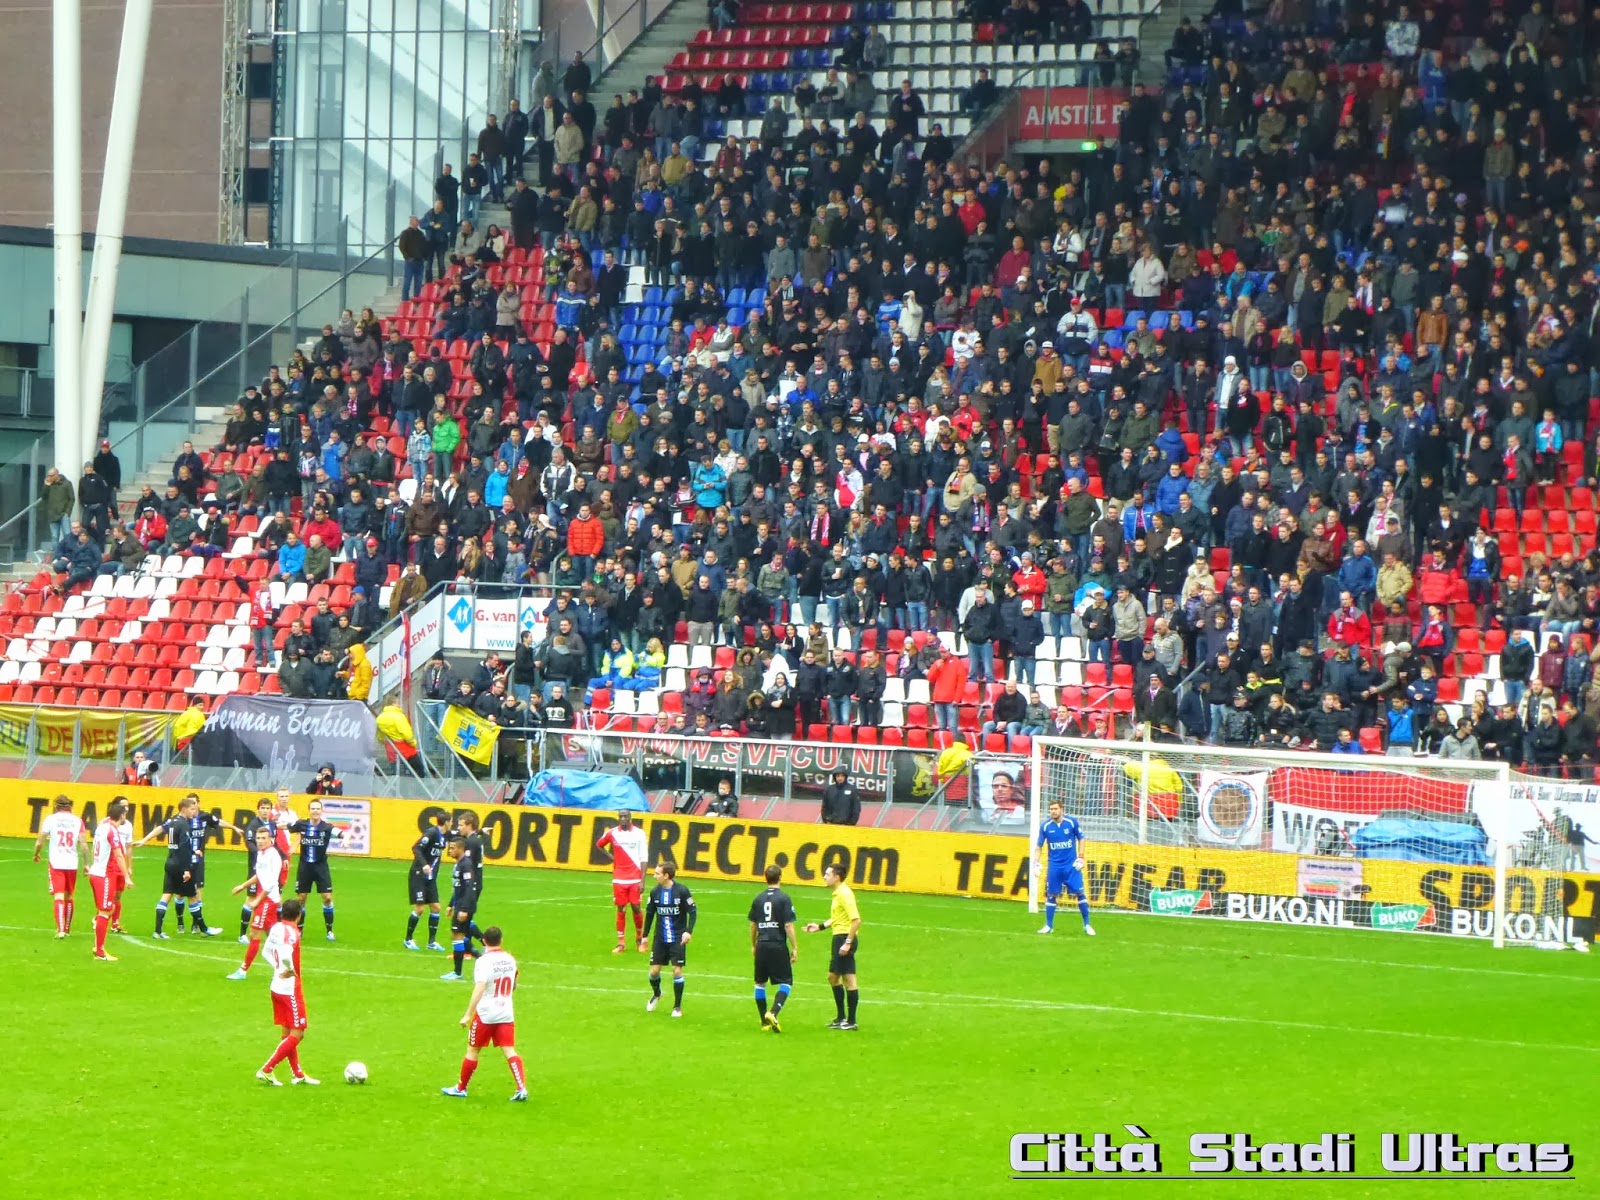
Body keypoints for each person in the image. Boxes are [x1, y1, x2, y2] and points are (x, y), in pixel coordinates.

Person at [441, 926, 528, 1101]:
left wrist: (467, 1014)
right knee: (509, 1050)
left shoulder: (483, 961)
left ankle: (461, 1088)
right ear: (501, 941)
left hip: (486, 1013)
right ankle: (521, 1088)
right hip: (505, 1011)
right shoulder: (510, 959)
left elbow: (480, 987)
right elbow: (514, 985)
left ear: (484, 941)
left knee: (473, 1050)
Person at [134, 793, 236, 937]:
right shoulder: (184, 824)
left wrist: (144, 840)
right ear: (184, 809)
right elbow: (184, 848)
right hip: (182, 865)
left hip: (170, 862)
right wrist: (187, 869)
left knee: (167, 895)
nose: (194, 812)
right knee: (193, 897)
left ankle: (157, 931)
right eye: (192, 809)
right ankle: (204, 929)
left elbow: (173, 841)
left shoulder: (173, 821)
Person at [254, 898, 318, 1086]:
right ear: (299, 915)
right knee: (298, 1033)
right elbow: (287, 952)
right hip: (290, 988)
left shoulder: (276, 928)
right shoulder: (293, 933)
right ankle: (267, 1069)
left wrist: (277, 967)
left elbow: (266, 951)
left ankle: (298, 1075)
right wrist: (288, 968)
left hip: (276, 986)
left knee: (287, 1031)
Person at [803, 862, 861, 1030]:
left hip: (844, 938)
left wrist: (848, 943)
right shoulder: (838, 894)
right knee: (833, 977)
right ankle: (842, 1017)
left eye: (827, 874)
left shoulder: (845, 894)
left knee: (848, 979)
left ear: (837, 877)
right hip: (839, 938)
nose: (824, 876)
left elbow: (856, 920)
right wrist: (820, 926)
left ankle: (851, 1021)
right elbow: (838, 917)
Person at [227, 826, 285, 981]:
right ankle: (284, 967)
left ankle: (243, 970)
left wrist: (257, 901)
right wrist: (243, 886)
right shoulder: (260, 854)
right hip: (264, 898)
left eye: (263, 838)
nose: (259, 841)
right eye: (258, 838)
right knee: (273, 934)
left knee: (254, 933)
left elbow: (272, 882)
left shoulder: (273, 856)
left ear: (270, 839)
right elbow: (259, 875)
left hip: (268, 899)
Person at [748, 864, 798, 1033]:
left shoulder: (758, 898)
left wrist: (753, 945)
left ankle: (764, 1022)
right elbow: (789, 925)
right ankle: (773, 1012)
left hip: (762, 944)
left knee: (760, 983)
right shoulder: (784, 898)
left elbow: (753, 925)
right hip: (777, 944)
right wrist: (795, 947)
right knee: (786, 982)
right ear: (780, 877)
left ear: (765, 877)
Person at [1034, 797, 1095, 936]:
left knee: (1080, 893)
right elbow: (1039, 846)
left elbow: (1081, 838)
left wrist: (1081, 856)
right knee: (1051, 895)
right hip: (1055, 866)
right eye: (1051, 809)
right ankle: (1049, 925)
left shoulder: (1071, 822)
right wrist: (1036, 863)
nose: (1053, 812)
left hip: (1071, 866)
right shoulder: (1045, 826)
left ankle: (1087, 925)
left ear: (1062, 809)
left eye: (1055, 809)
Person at [643, 860, 696, 1017]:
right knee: (653, 972)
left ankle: (677, 1007)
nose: (654, 876)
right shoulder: (655, 892)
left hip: (677, 938)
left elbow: (693, 912)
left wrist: (688, 931)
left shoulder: (682, 891)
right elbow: (650, 914)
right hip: (660, 938)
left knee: (677, 971)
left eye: (657, 873)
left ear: (666, 875)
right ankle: (657, 993)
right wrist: (644, 936)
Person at [287, 798, 342, 940]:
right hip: (305, 866)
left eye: (318, 809)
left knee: (327, 897)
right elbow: (287, 826)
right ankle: (299, 931)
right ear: (309, 811)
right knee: (301, 898)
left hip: (321, 867)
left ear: (321, 811)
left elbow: (340, 832)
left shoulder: (327, 827)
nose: (315, 811)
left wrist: (345, 838)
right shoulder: (301, 824)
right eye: (313, 809)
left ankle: (329, 931)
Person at [441, 814, 488, 981]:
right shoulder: (470, 845)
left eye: (461, 825)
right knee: (461, 929)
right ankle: (479, 951)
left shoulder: (468, 856)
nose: (459, 828)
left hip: (468, 894)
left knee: (460, 929)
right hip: (464, 894)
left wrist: (463, 906)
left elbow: (469, 881)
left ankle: (479, 952)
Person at [238, 797, 290, 942]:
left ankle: (278, 930)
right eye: (263, 808)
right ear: (258, 809)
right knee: (251, 898)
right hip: (257, 867)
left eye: (268, 808)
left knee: (277, 898)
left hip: (272, 867)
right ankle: (242, 933)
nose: (265, 811)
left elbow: (275, 844)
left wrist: (284, 856)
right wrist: (262, 853)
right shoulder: (254, 825)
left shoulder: (272, 825)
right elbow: (249, 843)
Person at [595, 810, 647, 954]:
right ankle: (621, 943)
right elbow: (599, 844)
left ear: (630, 818)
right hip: (619, 878)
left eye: (625, 816)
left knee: (636, 907)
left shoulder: (639, 833)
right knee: (621, 908)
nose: (623, 819)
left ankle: (639, 939)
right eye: (620, 817)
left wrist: (643, 880)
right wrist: (611, 857)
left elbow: (644, 857)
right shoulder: (612, 833)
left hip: (635, 877)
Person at [33, 795, 86, 938]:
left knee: (58, 895)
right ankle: (67, 929)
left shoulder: (51, 819)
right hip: (72, 862)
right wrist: (87, 864)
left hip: (56, 862)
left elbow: (40, 841)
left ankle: (61, 930)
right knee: (69, 896)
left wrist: (36, 854)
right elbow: (84, 844)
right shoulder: (77, 820)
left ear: (56, 806)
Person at [87, 798, 132, 961]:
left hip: (96, 872)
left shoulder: (102, 827)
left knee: (107, 909)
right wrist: (126, 876)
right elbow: (119, 854)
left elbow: (95, 848)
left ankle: (98, 944)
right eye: (125, 812)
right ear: (121, 815)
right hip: (104, 875)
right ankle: (99, 951)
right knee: (105, 911)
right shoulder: (113, 832)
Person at [406, 814, 450, 951]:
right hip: (419, 875)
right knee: (420, 908)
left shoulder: (445, 835)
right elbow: (416, 848)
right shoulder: (431, 833)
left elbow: (460, 834)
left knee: (436, 907)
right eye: (451, 821)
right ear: (447, 822)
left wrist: (479, 831)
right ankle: (408, 940)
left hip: (430, 878)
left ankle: (431, 942)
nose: (452, 824)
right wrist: (424, 864)